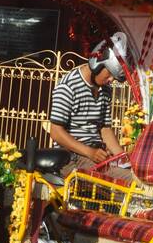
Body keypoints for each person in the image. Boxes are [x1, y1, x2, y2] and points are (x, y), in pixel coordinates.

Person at [49, 33, 127, 171]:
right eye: (109, 74)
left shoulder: (105, 90)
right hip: (73, 157)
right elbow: (56, 132)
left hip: (97, 154)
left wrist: (122, 157)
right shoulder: (68, 87)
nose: (111, 80)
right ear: (97, 64)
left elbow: (105, 129)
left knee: (131, 173)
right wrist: (90, 152)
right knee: (123, 182)